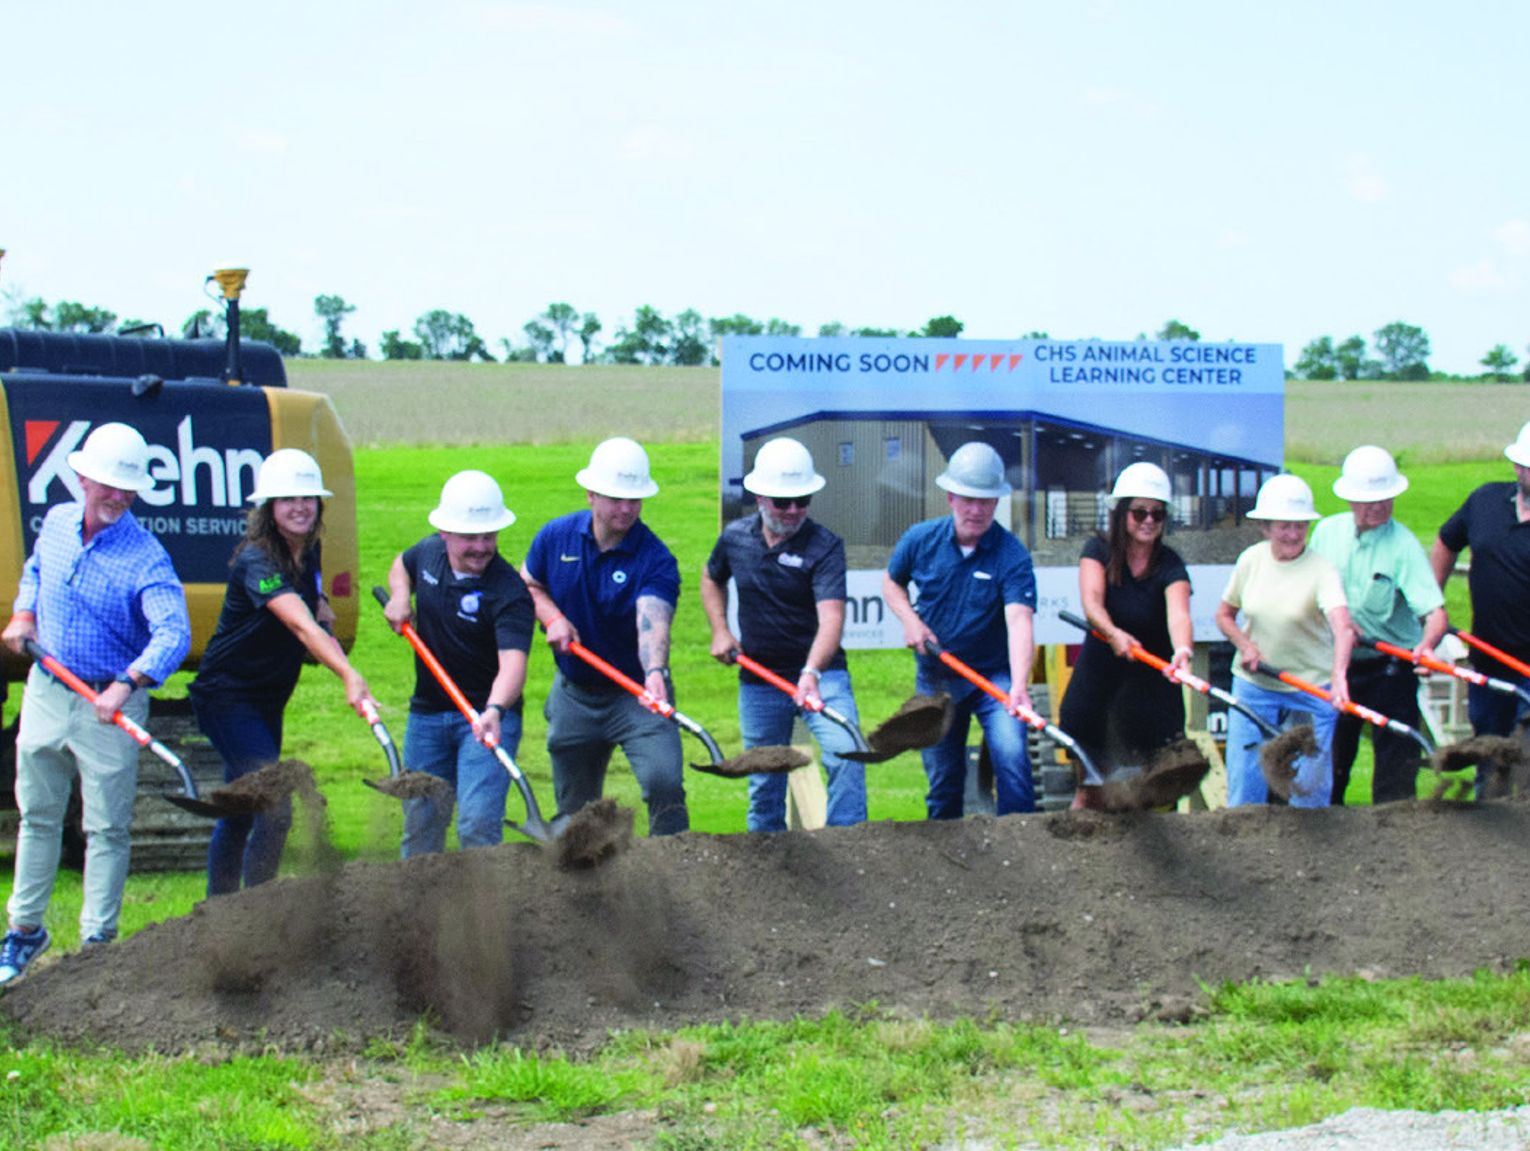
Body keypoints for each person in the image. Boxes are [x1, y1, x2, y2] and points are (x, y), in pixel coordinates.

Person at [1, 423, 191, 984]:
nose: (117, 496)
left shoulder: (146, 558)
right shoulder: (58, 524)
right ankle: (24, 932)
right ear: (81, 478)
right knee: (37, 816)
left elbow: (173, 634)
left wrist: (126, 683)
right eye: (107, 484)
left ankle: (96, 945)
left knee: (106, 829)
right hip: (48, 687)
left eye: (127, 488)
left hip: (110, 700)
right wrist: (24, 612)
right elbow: (35, 571)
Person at [188, 449, 373, 896]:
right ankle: (257, 909)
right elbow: (298, 623)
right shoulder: (258, 561)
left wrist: (326, 616)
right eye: (288, 498)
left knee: (241, 804)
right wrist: (349, 674)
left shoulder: (309, 551)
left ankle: (222, 910)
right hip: (226, 696)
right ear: (269, 508)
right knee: (275, 803)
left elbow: (316, 607)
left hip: (268, 697)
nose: (300, 507)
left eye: (308, 497)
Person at [520, 437, 687, 835]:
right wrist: (553, 617)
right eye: (616, 498)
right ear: (591, 494)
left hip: (637, 692)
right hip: (575, 693)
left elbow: (653, 618)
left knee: (664, 780)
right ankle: (585, 880)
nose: (626, 508)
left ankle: (677, 868)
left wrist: (655, 672)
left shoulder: (656, 558)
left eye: (635, 499)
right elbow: (528, 585)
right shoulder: (555, 537)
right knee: (575, 808)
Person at [701, 437, 866, 832]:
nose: (794, 511)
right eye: (782, 502)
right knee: (763, 779)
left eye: (803, 500)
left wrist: (810, 674)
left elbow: (831, 619)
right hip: (759, 679)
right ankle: (769, 867)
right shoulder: (735, 538)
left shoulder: (825, 546)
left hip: (823, 676)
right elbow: (711, 579)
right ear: (759, 496)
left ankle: (849, 847)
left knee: (848, 754)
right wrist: (721, 630)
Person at [383, 470, 535, 855]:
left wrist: (496, 709)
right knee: (421, 824)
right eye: (471, 537)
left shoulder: (509, 592)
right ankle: (417, 911)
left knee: (477, 825)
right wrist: (400, 597)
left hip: (485, 719)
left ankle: (483, 912)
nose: (482, 547)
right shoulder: (429, 553)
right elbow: (402, 564)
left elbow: (513, 665)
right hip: (428, 714)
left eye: (489, 536)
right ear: (445, 533)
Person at [883, 441, 1038, 820]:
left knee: (1012, 756)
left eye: (985, 501)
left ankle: (1023, 849)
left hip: (993, 678)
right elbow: (892, 584)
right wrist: (911, 620)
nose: (975, 509)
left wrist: (1018, 686)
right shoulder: (921, 540)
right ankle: (945, 861)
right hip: (937, 679)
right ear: (951, 496)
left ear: (997, 503)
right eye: (968, 499)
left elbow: (1019, 621)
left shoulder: (1011, 555)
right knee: (943, 777)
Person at [1310, 446, 1446, 805]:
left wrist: (1427, 645)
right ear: (1351, 500)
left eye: (1386, 499)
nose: (1379, 507)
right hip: (1337, 667)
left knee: (1395, 771)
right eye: (1369, 501)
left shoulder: (1404, 546)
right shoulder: (1326, 533)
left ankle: (1398, 843)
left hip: (1390, 670)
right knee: (1330, 761)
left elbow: (1435, 613)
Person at [1058, 463, 1193, 807]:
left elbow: (1179, 614)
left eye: (1157, 514)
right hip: (1098, 688)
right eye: (1139, 512)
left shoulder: (1170, 564)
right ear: (1121, 513)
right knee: (1092, 790)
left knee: (1149, 794)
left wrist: (1183, 651)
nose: (1148, 520)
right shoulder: (1097, 550)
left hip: (1150, 694)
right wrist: (1113, 633)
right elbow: (1092, 603)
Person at [1215, 474, 1353, 808]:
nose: (1293, 535)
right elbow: (1224, 615)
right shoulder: (1251, 560)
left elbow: (1343, 626)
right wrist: (1244, 645)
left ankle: (1309, 846)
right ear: (1266, 527)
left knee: (1310, 783)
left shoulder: (1322, 569)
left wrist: (1338, 675)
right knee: (1245, 774)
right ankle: (1243, 838)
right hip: (1256, 683)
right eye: (1283, 527)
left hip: (1309, 685)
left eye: (1300, 526)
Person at [1430, 420, 1530, 767]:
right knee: (1489, 746)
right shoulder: (1484, 501)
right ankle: (1488, 811)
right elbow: (1446, 542)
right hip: (1489, 656)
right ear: (1518, 467)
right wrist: (1434, 606)